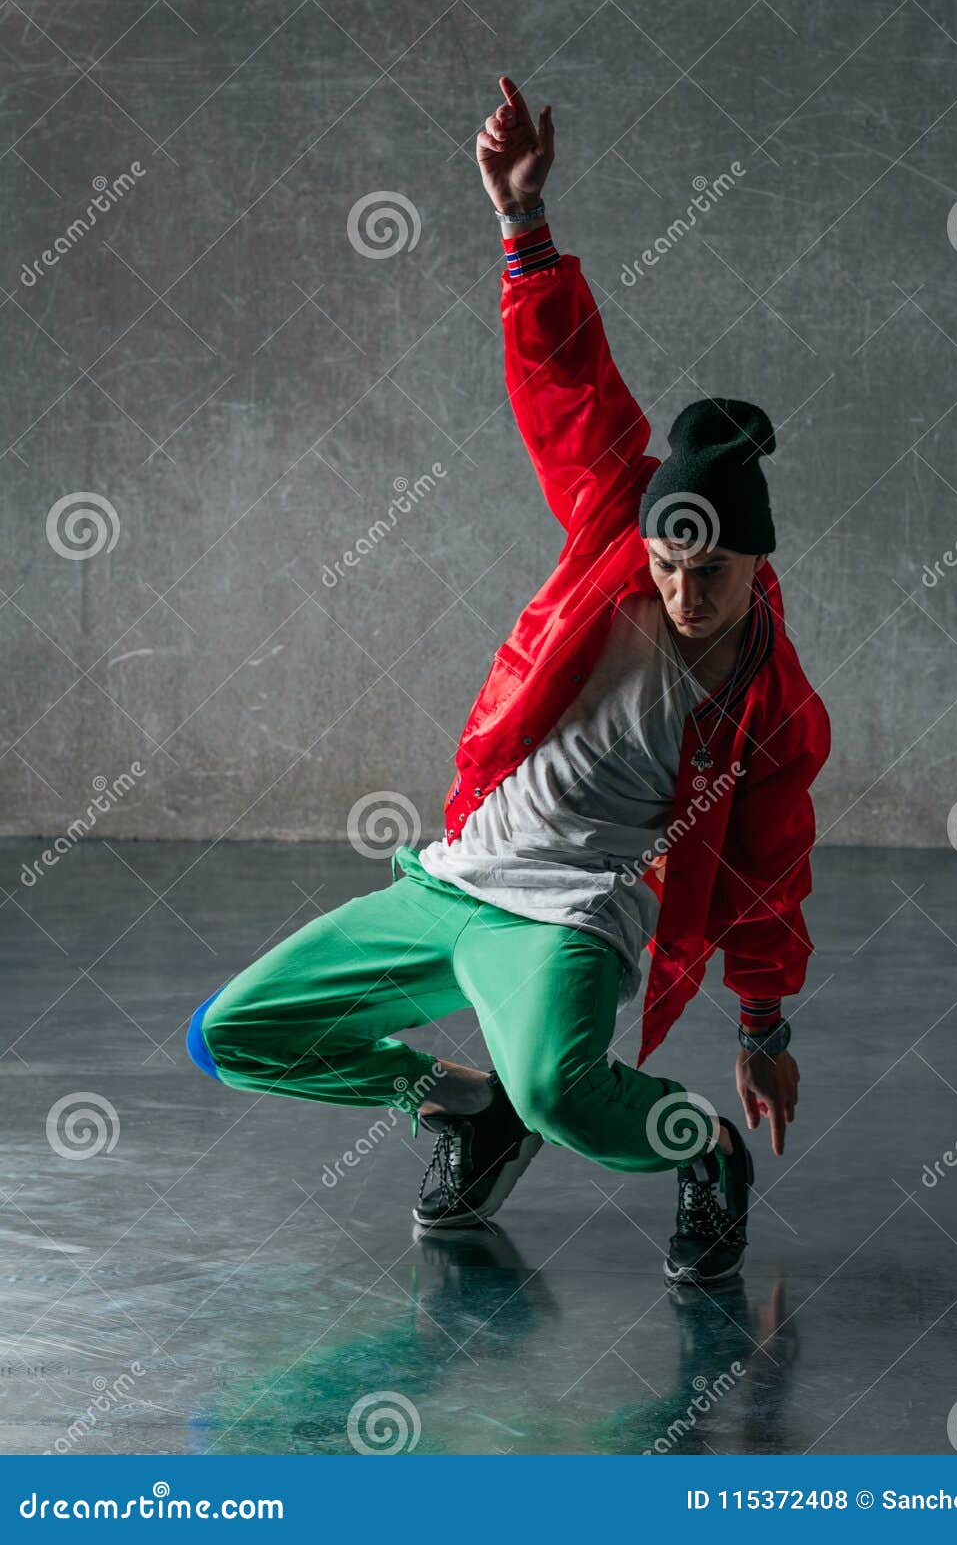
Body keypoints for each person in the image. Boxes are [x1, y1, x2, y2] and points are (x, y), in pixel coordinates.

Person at [185, 76, 831, 1287]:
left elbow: (765, 876)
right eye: (669, 558)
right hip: (460, 876)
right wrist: (521, 225)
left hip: (574, 912)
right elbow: (567, 392)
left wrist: (762, 1028)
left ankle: (701, 1155)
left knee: (562, 1097)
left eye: (714, 568)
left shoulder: (771, 705)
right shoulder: (610, 533)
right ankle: (461, 1107)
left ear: (759, 558)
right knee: (238, 1033)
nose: (683, 589)